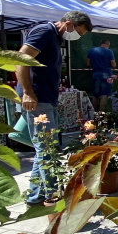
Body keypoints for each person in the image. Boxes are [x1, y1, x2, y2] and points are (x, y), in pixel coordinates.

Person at [15, 10, 92, 205]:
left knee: (45, 148)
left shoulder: (54, 38)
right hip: (37, 98)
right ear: (67, 24)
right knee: (47, 149)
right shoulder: (44, 31)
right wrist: (27, 92)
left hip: (45, 98)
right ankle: (54, 196)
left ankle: (35, 196)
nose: (77, 37)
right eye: (79, 32)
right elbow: (20, 59)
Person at [86, 39, 117, 109]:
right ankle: (101, 113)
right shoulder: (109, 51)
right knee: (104, 94)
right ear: (107, 45)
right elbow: (113, 65)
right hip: (106, 74)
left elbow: (87, 64)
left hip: (95, 73)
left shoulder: (91, 51)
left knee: (95, 94)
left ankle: (94, 113)